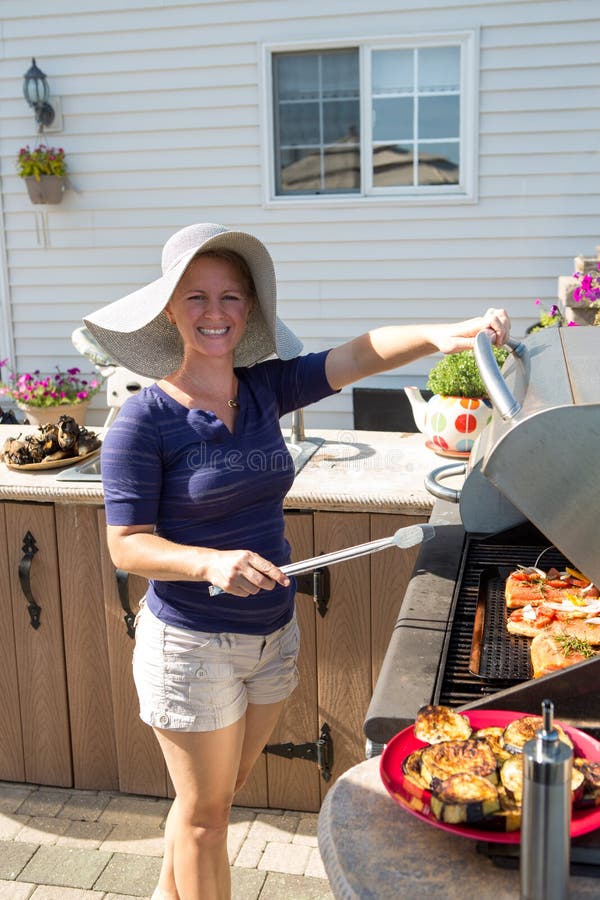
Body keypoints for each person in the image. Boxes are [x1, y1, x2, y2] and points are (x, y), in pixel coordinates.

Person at [84, 223, 510, 900]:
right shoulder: (143, 421)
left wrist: (444, 334)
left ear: (248, 308)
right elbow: (126, 544)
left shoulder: (261, 391)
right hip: (192, 645)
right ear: (169, 309)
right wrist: (207, 564)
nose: (215, 311)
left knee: (213, 803)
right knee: (207, 821)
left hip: (273, 636)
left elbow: (355, 355)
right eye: (195, 297)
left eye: (229, 295)